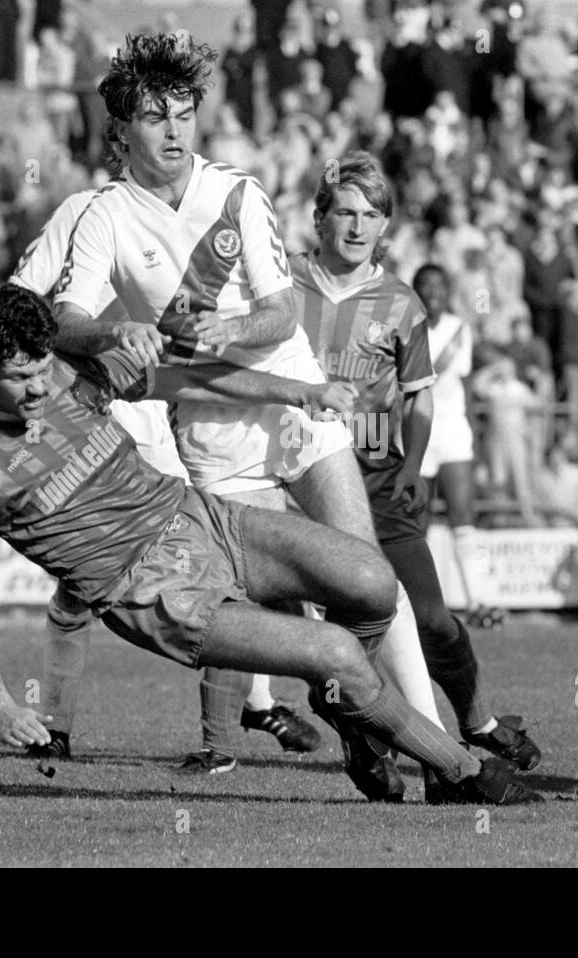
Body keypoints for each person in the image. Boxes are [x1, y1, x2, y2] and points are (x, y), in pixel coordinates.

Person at [0, 283, 539, 806]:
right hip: (155, 593)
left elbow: (187, 380)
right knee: (336, 653)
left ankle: (354, 716)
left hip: (202, 519)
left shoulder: (66, 371)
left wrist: (293, 391)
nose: (39, 386)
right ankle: (462, 771)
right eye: (19, 376)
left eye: (42, 367)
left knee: (374, 580)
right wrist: (3, 709)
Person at [45, 34, 441, 798]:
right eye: (157, 117)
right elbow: (64, 318)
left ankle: (429, 751)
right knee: (262, 606)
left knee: (370, 581)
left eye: (185, 115)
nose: (174, 132)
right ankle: (347, 714)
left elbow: (279, 309)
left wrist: (234, 330)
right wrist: (111, 332)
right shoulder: (104, 217)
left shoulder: (237, 191)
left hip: (294, 396)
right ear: (123, 127)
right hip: (210, 422)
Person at [289, 153, 543, 798]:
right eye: (344, 212)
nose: (356, 226)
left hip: (380, 487)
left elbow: (422, 396)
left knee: (429, 618)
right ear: (318, 219)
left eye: (371, 216)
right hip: (299, 490)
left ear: (385, 228)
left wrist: (410, 463)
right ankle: (365, 744)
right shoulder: (283, 290)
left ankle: (476, 723)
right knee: (336, 638)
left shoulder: (401, 304)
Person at [414, 263, 503, 626]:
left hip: (452, 431)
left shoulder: (459, 328)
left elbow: (463, 385)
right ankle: (416, 606)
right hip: (417, 430)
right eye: (425, 286)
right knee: (415, 522)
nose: (433, 292)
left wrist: (475, 438)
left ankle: (477, 600)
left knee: (462, 516)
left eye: (439, 285)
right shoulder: (407, 327)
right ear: (415, 291)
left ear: (448, 291)